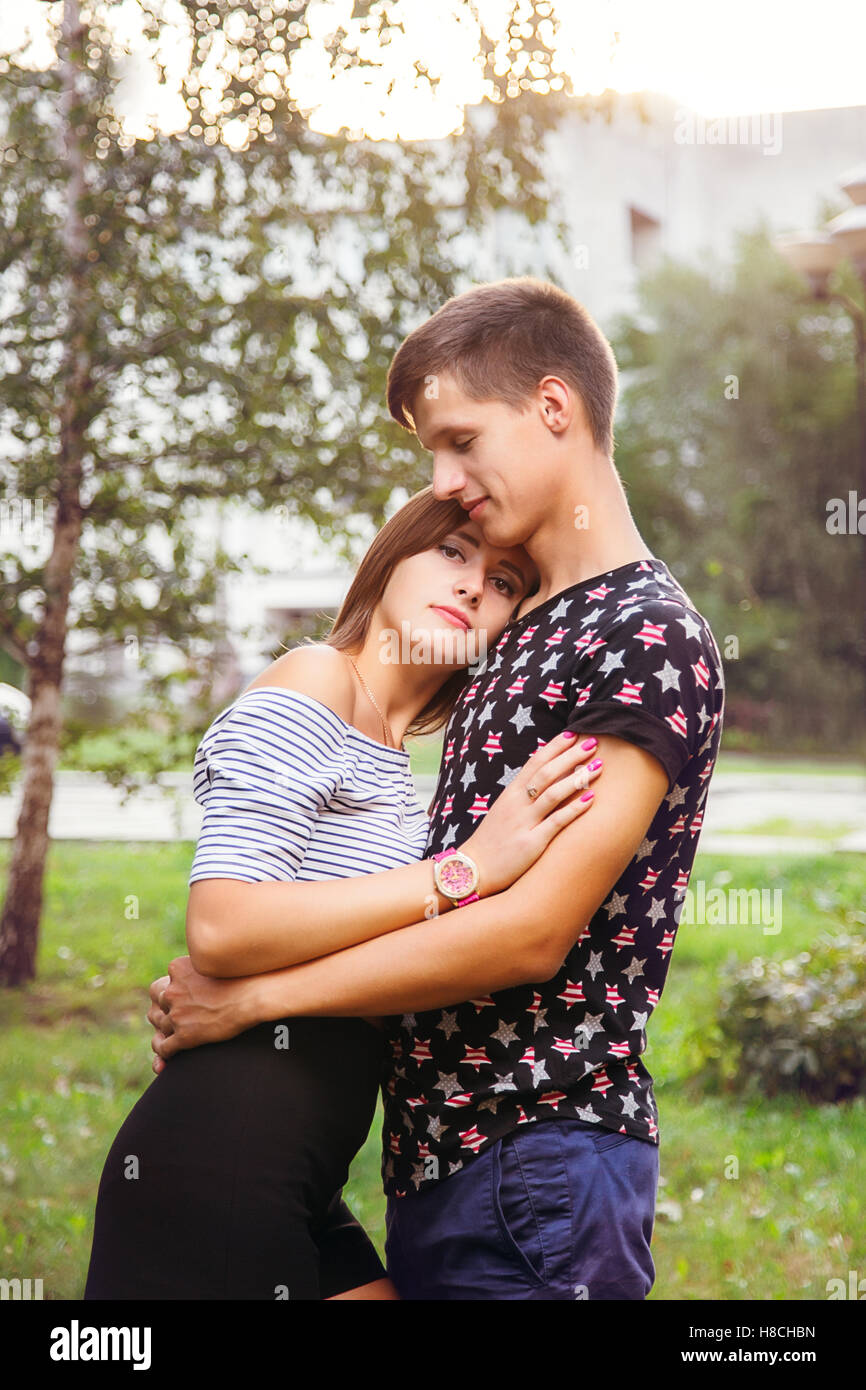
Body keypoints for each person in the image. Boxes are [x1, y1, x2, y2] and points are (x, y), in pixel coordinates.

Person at [148, 276, 725, 1301]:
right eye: (432, 455)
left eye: (461, 440)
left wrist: (252, 1000)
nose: (446, 478)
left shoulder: (641, 635)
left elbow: (527, 932)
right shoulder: (520, 630)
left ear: (554, 407)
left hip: (538, 1153)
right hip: (435, 1165)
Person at [84, 484, 604, 1301]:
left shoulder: (399, 761)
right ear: (387, 561)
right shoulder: (316, 676)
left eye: (504, 582)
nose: (474, 585)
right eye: (452, 552)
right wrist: (467, 868)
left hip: (300, 1177)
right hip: (220, 1157)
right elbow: (222, 923)